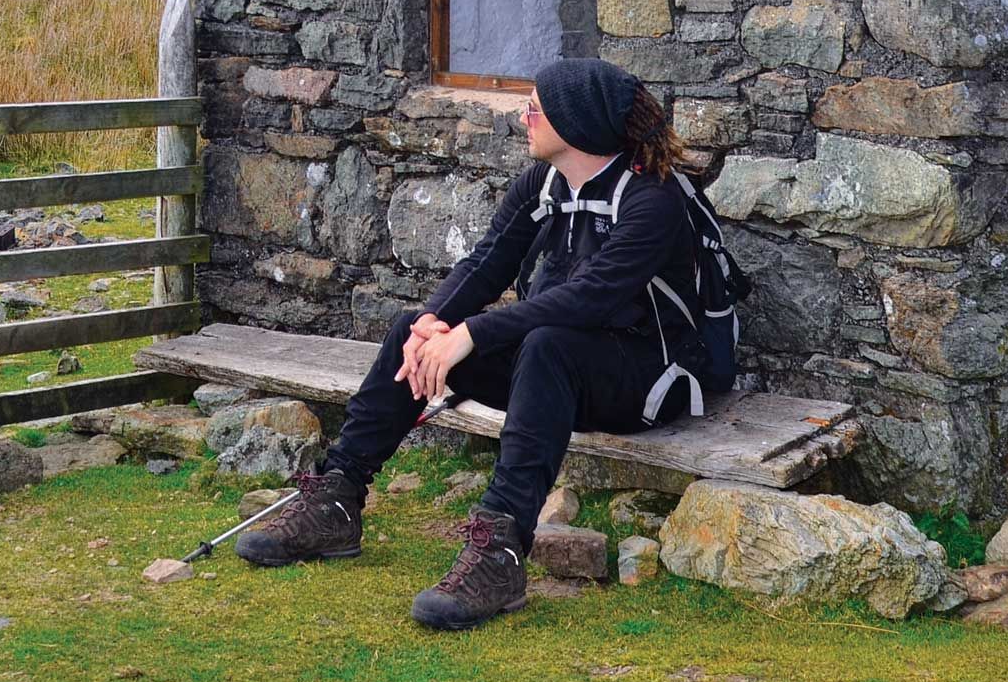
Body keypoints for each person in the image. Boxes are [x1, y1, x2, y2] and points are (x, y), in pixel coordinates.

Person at [236, 57, 721, 629]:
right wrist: (434, 323)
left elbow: (590, 298)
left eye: (536, 108)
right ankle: (336, 501)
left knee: (546, 345)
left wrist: (472, 334)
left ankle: (500, 554)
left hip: (647, 380)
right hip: (555, 373)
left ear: (578, 123)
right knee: (411, 331)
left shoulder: (652, 200)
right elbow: (488, 263)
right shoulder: (542, 184)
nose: (524, 117)